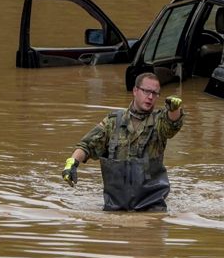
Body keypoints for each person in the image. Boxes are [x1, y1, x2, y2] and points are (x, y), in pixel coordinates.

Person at [61, 73, 184, 211]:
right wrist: (72, 163)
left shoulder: (159, 122)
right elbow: (87, 145)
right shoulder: (113, 122)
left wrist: (174, 109)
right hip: (115, 207)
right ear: (135, 91)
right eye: (146, 91)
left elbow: (172, 125)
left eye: (155, 93)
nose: (150, 97)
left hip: (152, 208)